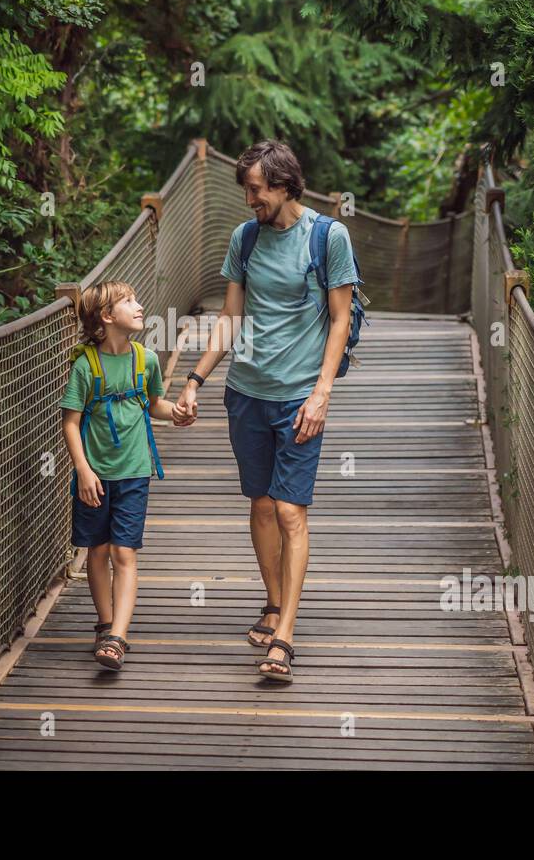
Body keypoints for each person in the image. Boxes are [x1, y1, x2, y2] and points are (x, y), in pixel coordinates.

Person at [172, 139, 358, 683]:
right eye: (246, 190)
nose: (249, 199)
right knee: (259, 504)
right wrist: (194, 379)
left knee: (289, 511)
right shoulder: (245, 237)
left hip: (300, 397)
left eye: (255, 190)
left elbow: (340, 320)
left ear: (283, 185)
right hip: (247, 392)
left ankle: (284, 637)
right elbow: (230, 317)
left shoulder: (329, 237)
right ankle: (274, 601)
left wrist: (322, 392)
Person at [60, 280, 188, 670]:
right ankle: (104, 624)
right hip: (95, 475)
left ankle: (118, 634)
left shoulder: (144, 360)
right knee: (97, 550)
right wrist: (82, 469)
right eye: (128, 302)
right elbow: (71, 422)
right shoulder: (86, 366)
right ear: (106, 316)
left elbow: (153, 405)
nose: (138, 305)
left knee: (124, 551)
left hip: (135, 472)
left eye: (136, 298)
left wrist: (176, 414)